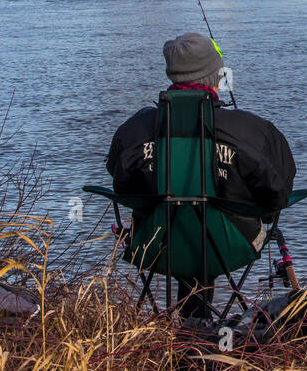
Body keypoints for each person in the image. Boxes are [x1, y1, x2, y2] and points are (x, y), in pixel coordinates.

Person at [106, 33, 296, 315]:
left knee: (184, 224)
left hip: (153, 241)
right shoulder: (252, 130)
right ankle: (204, 333)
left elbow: (119, 179)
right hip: (230, 243)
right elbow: (278, 191)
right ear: (216, 75)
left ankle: (184, 333)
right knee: (210, 225)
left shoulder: (134, 128)